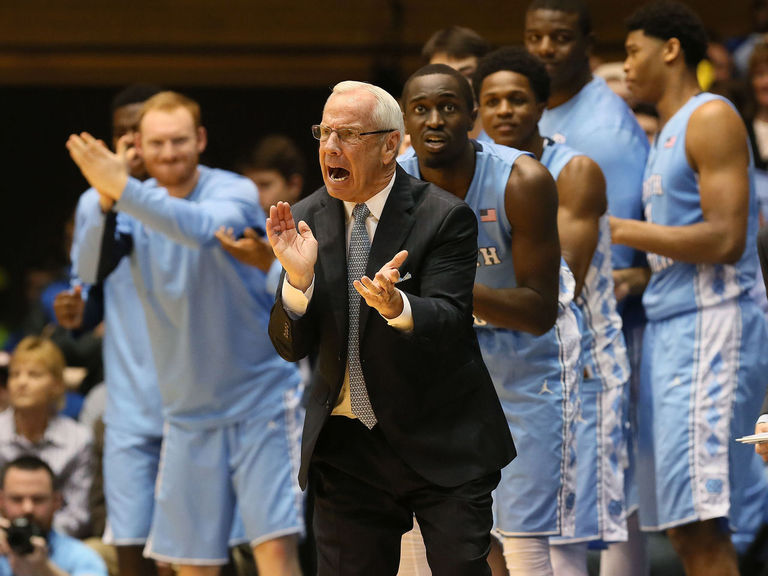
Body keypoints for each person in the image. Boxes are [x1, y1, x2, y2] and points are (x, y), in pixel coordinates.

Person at [267, 80, 515, 575]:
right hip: (347, 448)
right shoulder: (306, 218)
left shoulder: (443, 217)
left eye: (349, 135)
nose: (331, 147)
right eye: (325, 133)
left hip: (440, 437)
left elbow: (448, 320)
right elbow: (290, 347)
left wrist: (398, 305)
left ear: (389, 146)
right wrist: (297, 282)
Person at [67, 91, 305, 576]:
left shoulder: (233, 190)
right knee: (191, 563)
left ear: (200, 139)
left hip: (259, 401)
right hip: (186, 413)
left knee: (275, 551)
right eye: (157, 144)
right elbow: (89, 268)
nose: (169, 153)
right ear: (138, 146)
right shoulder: (125, 201)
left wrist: (125, 190)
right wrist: (104, 197)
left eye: (179, 140)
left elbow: (196, 229)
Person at [397, 63, 576, 576]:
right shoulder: (392, 185)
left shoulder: (523, 179)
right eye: (421, 109)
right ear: (403, 123)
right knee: (424, 537)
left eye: (449, 107)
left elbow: (540, 310)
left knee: (523, 544)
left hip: (523, 368)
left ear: (472, 116)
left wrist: (445, 289)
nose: (435, 120)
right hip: (434, 370)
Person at [612, 2, 768, 575]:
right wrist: (639, 272)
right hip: (674, 325)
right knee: (682, 525)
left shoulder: (711, 116)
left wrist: (619, 230)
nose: (625, 65)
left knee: (701, 522)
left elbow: (726, 237)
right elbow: (680, 241)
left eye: (632, 51)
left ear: (671, 49)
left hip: (715, 323)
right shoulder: (667, 132)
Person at [474, 46, 631, 576]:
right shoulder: (470, 173)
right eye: (491, 100)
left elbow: (558, 285)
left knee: (556, 541)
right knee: (492, 535)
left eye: (517, 99)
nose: (504, 111)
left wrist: (452, 294)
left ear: (542, 105)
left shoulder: (575, 170)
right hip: (499, 368)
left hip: (578, 370)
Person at [524, 1, 650, 572]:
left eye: (560, 37)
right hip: (535, 340)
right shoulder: (537, 113)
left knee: (594, 515)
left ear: (587, 43)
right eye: (535, 37)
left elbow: (616, 262)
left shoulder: (604, 132)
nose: (546, 48)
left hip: (603, 331)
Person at [58, 83, 167, 576]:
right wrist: (74, 310)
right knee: (129, 538)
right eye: (121, 131)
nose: (131, 142)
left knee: (194, 550)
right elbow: (87, 297)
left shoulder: (195, 197)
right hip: (128, 400)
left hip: (194, 404)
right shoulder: (92, 203)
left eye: (139, 129)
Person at [0, 337, 92, 540]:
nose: (22, 383)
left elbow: (78, 514)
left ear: (57, 384)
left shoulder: (78, 439)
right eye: (15, 375)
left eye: (34, 375)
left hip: (57, 541)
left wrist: (34, 536)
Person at [0, 455, 107, 576]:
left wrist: (45, 570)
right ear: (1, 501)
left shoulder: (81, 556)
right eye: (17, 499)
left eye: (38, 499)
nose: (28, 509)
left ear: (56, 501)